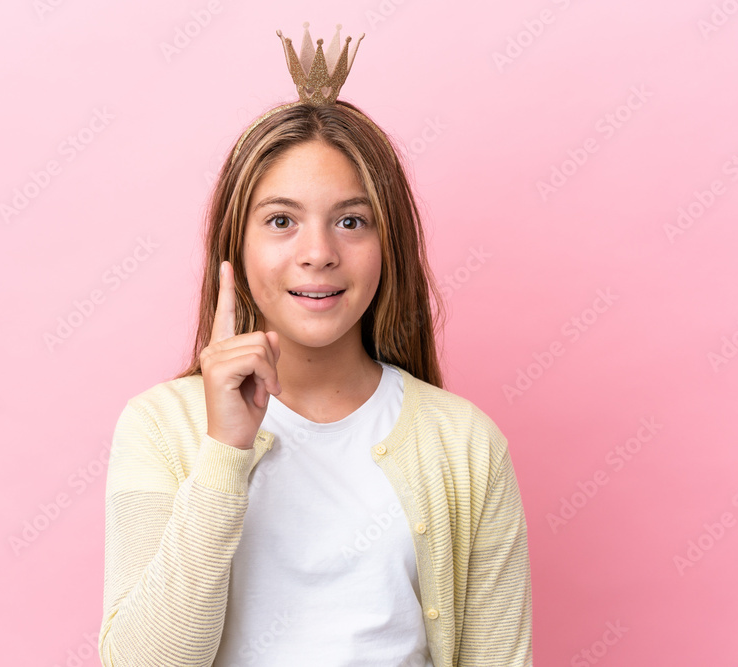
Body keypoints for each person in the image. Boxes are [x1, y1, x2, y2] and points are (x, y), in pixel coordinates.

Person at [99, 23, 532, 667]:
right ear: (234, 247)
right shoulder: (160, 427)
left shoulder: (467, 445)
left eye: (352, 221)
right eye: (281, 221)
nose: (319, 254)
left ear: (391, 248)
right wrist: (224, 452)